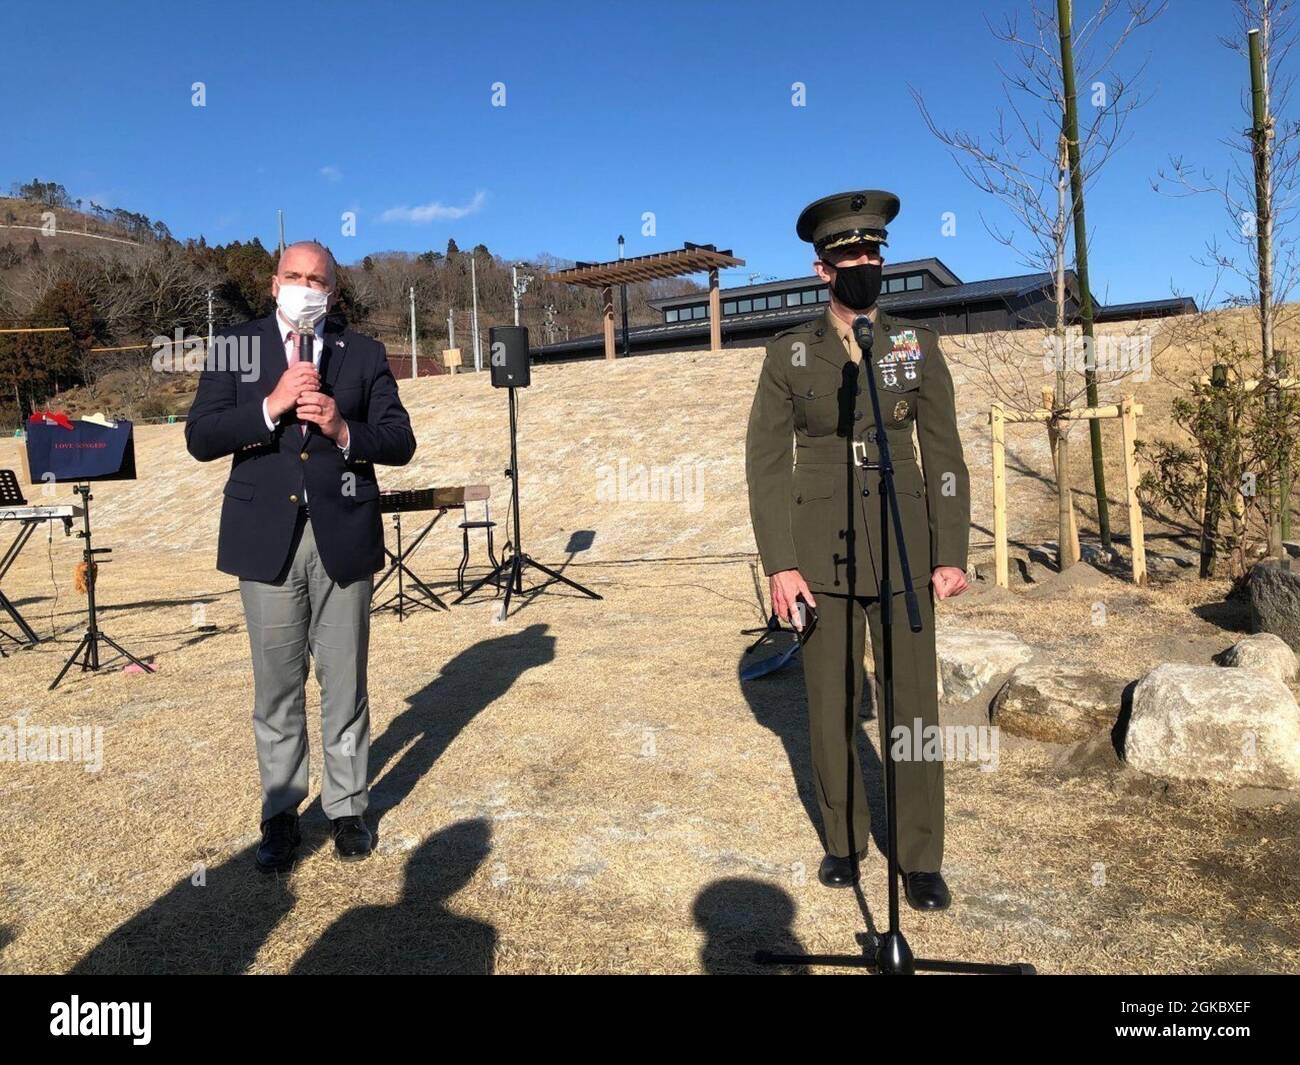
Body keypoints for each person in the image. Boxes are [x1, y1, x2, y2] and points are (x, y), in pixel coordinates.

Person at [745, 191, 970, 910]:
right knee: (830, 700)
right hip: (819, 552)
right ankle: (843, 839)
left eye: (872, 254)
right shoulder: (790, 354)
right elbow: (767, 462)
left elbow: (943, 451)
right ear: (822, 270)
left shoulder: (916, 346)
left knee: (912, 709)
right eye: (848, 258)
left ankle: (919, 853)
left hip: (904, 546)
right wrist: (780, 562)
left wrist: (951, 548)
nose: (863, 266)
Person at [185, 240, 416, 872]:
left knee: (345, 686)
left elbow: (400, 442)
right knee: (277, 688)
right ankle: (282, 814)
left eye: (317, 279)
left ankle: (346, 809)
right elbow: (200, 437)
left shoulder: (364, 353)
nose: (305, 286)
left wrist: (344, 430)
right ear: (272, 283)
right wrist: (270, 405)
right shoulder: (235, 346)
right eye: (294, 276)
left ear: (334, 292)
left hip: (343, 534)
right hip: (267, 540)